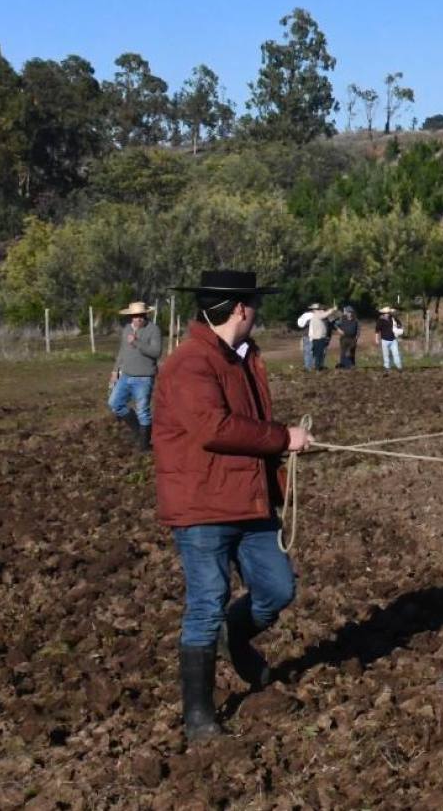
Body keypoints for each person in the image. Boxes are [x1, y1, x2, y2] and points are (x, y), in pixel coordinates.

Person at [154, 269, 313, 744]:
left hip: (250, 498)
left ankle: (234, 636)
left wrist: (284, 446)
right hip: (202, 505)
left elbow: (246, 428)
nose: (257, 313)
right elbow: (214, 428)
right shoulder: (189, 364)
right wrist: (284, 437)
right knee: (206, 602)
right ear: (241, 309)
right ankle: (199, 717)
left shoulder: (242, 360)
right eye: (255, 305)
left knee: (277, 588)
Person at [108, 300, 162, 452]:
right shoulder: (126, 330)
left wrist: (137, 342)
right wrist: (115, 371)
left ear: (146, 315)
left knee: (143, 410)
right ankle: (138, 431)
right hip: (126, 375)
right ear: (131, 317)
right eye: (135, 316)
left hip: (144, 377)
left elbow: (156, 352)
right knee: (115, 403)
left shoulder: (154, 330)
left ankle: (145, 446)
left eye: (141, 316)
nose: (138, 319)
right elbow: (122, 352)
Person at [295, 302, 332, 371]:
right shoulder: (308, 316)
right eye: (319, 308)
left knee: (316, 352)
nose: (321, 309)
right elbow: (301, 324)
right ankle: (310, 367)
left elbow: (327, 327)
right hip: (310, 336)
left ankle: (315, 366)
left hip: (316, 336)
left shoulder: (311, 315)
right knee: (311, 352)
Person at [375, 306, 404, 370]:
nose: (387, 314)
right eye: (386, 313)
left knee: (396, 354)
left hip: (393, 340)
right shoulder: (380, 320)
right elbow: (377, 330)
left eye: (388, 313)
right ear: (383, 313)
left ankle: (399, 367)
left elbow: (399, 325)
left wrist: (399, 331)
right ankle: (387, 367)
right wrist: (376, 339)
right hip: (384, 340)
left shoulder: (393, 319)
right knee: (386, 355)